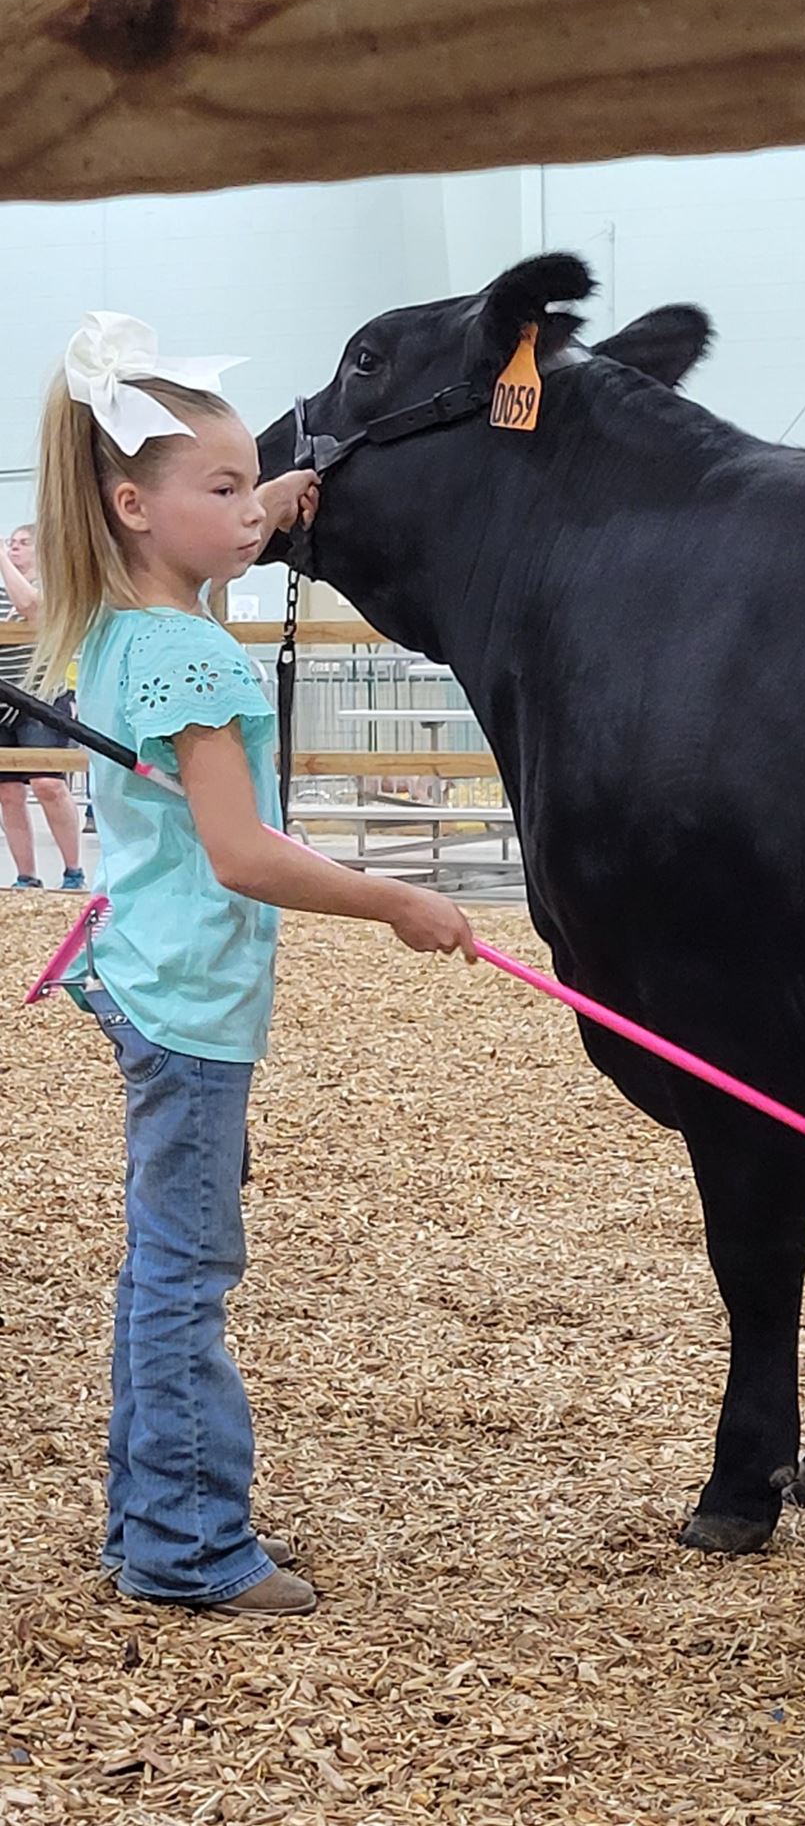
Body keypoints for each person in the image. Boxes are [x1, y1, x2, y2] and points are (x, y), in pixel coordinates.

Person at [34, 312, 478, 1620]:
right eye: (220, 491)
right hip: (188, 998)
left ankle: (145, 1525)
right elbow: (242, 853)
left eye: (253, 493)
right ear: (132, 505)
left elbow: (208, 555)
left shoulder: (126, 629)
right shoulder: (190, 655)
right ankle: (185, 1547)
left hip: (144, 974)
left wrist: (259, 500)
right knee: (183, 1272)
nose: (251, 515)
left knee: (165, 1261)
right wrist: (395, 898)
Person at [0, 522, 85, 889]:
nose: (14, 547)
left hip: (42, 697)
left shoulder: (51, 587)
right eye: (11, 542)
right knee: (8, 791)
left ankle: (73, 870)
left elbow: (31, 608)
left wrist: (2, 560)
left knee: (48, 783)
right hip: (3, 700)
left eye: (22, 543)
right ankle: (26, 875)